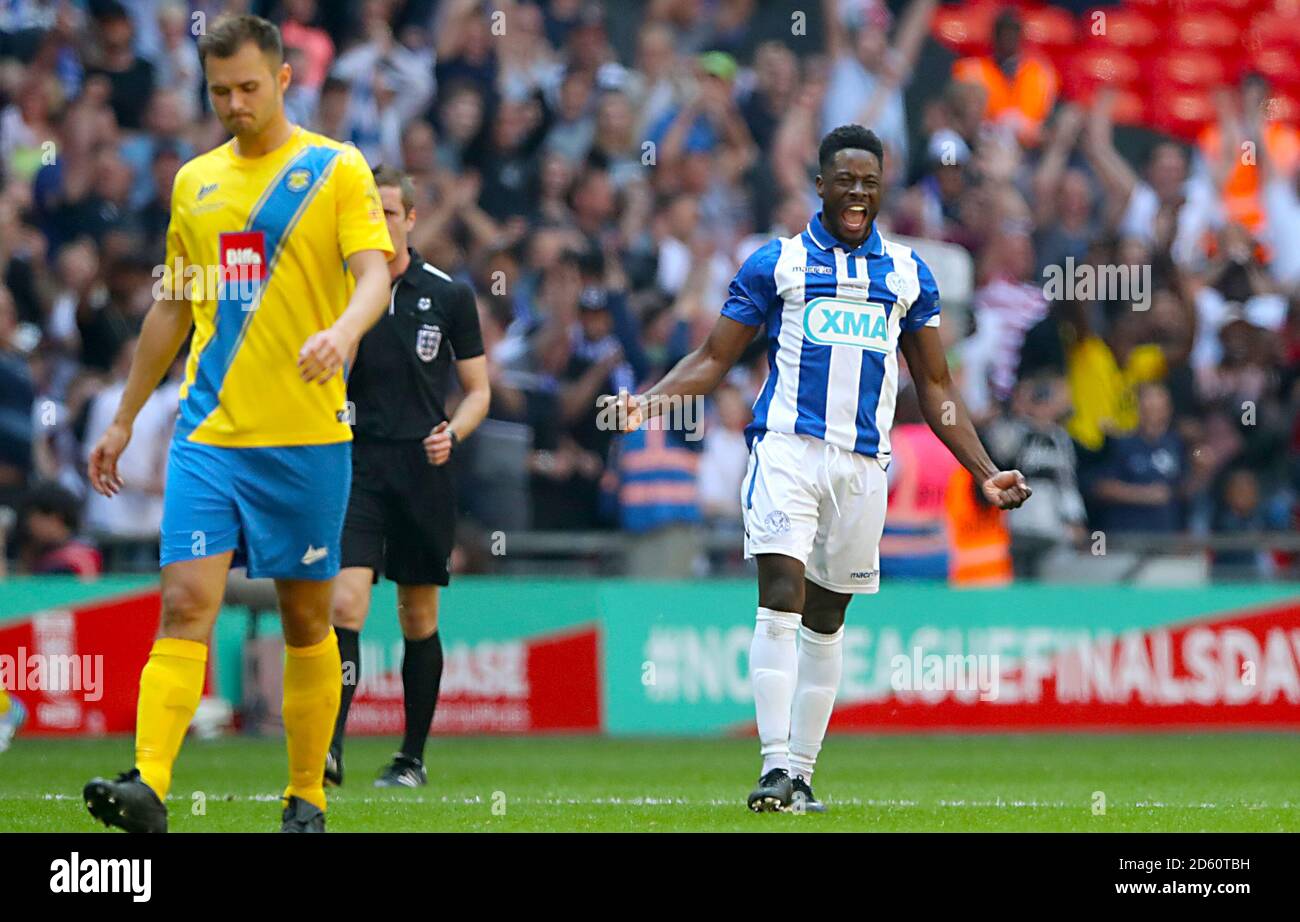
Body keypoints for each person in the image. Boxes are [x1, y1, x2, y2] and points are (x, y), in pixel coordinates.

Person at [605, 125, 1030, 813]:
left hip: (864, 465)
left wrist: (984, 469)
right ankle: (774, 766)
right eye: (845, 180)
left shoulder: (907, 273)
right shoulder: (778, 263)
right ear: (821, 184)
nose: (857, 192)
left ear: (882, 185)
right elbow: (716, 357)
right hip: (787, 449)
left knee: (827, 619)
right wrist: (649, 403)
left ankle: (801, 774)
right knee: (780, 590)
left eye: (869, 181)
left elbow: (938, 387)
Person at [81, 14, 394, 834]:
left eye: (249, 87)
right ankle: (148, 783)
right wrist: (121, 420)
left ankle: (306, 796)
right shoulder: (195, 183)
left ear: (284, 77)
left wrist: (343, 331)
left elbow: (374, 277)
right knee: (185, 605)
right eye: (219, 91)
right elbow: (174, 305)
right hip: (210, 435)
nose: (234, 104)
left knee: (305, 620)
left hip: (307, 439)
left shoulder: (335, 169)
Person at [328, 166, 489, 789]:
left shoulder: (448, 294)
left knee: (417, 616)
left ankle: (411, 758)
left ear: (412, 219)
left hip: (423, 469)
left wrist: (454, 430)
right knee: (345, 600)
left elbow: (478, 390)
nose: (380, 222)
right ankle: (330, 747)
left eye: (390, 212)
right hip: (357, 462)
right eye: (371, 211)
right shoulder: (342, 287)